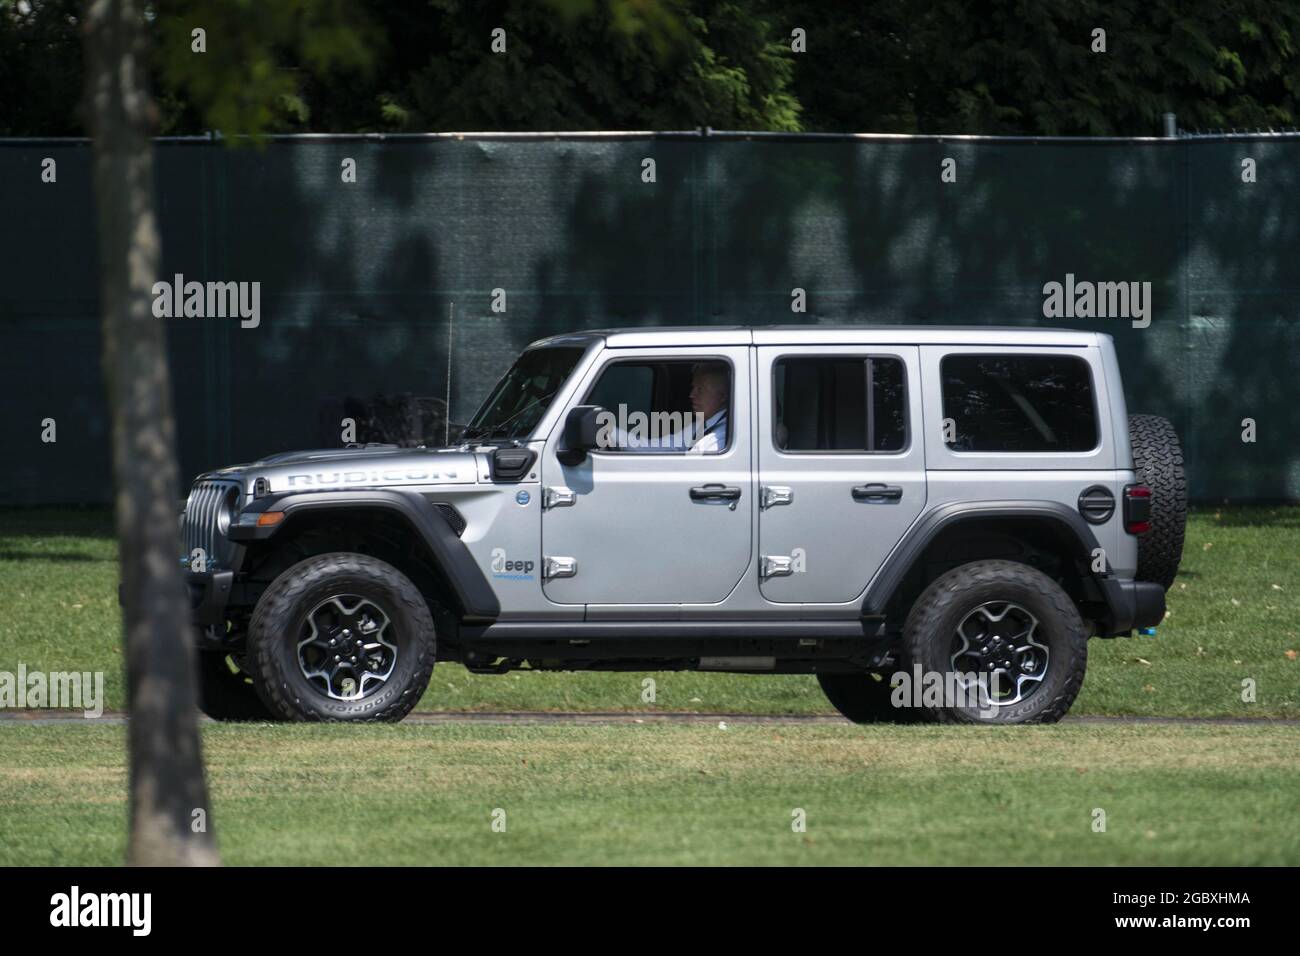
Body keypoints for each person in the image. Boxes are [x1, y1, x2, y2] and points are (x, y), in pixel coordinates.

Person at [686, 363, 728, 454]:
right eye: (693, 388)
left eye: (700, 389)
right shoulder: (703, 425)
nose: (691, 395)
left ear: (722, 396)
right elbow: (672, 442)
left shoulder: (720, 439)